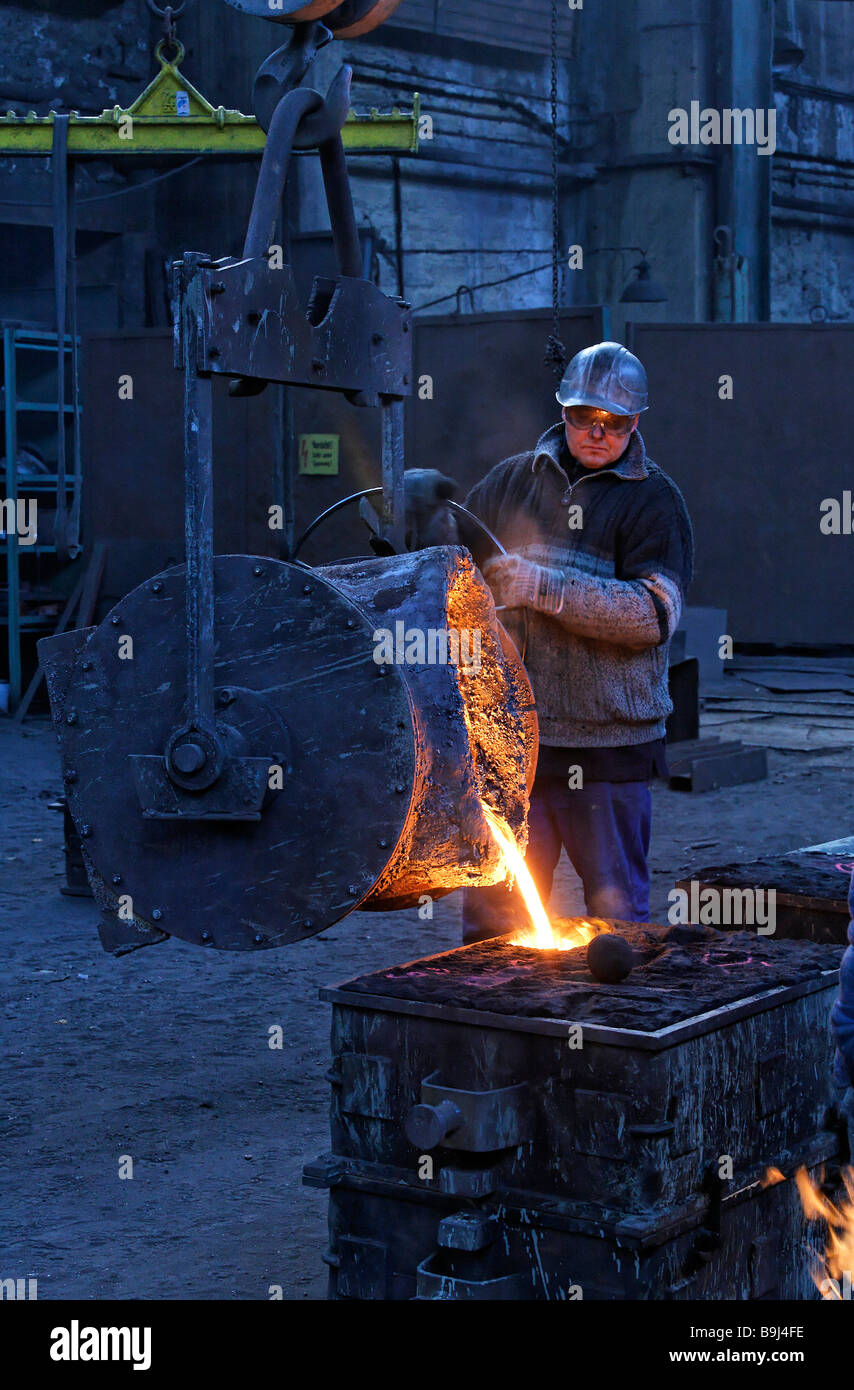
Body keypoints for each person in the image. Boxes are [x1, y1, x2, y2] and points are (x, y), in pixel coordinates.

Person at [459, 341, 694, 942]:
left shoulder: (655, 502)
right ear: (562, 411)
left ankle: (616, 1033)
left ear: (635, 422)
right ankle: (491, 1032)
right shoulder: (512, 482)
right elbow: (452, 558)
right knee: (494, 921)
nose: (596, 432)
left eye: (613, 423)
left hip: (606, 750)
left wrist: (548, 588)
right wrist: (413, 510)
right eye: (584, 417)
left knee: (614, 928)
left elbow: (652, 615)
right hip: (516, 748)